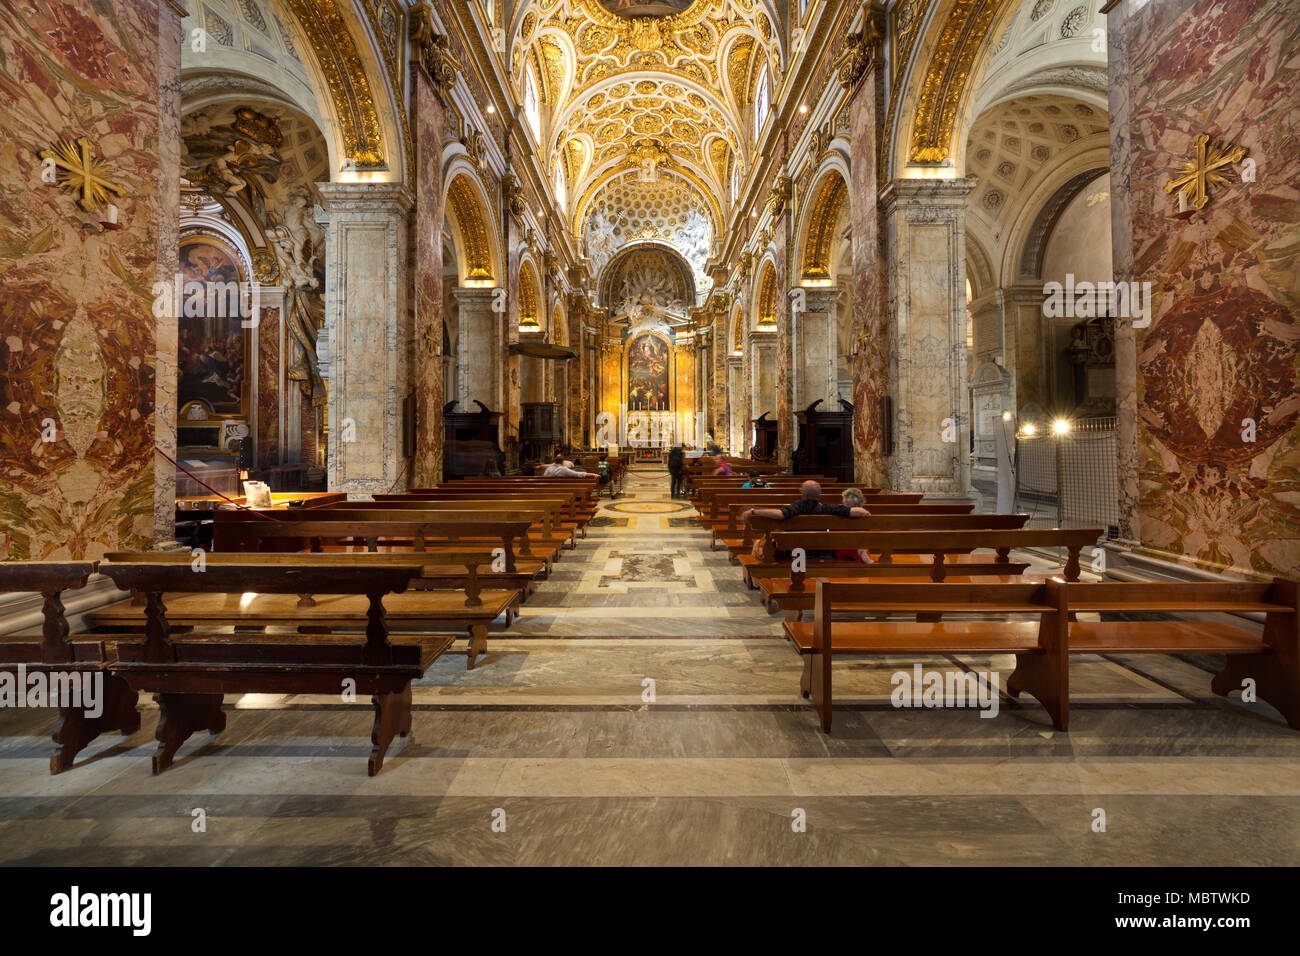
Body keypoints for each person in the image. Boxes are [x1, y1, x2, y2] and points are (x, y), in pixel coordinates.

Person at [743, 481, 870, 559]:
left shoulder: (798, 506)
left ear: (803, 494)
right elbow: (854, 511)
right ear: (819, 495)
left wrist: (754, 511)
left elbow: (780, 514)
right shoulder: (827, 508)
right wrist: (866, 513)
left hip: (795, 551)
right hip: (820, 552)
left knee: (762, 543)